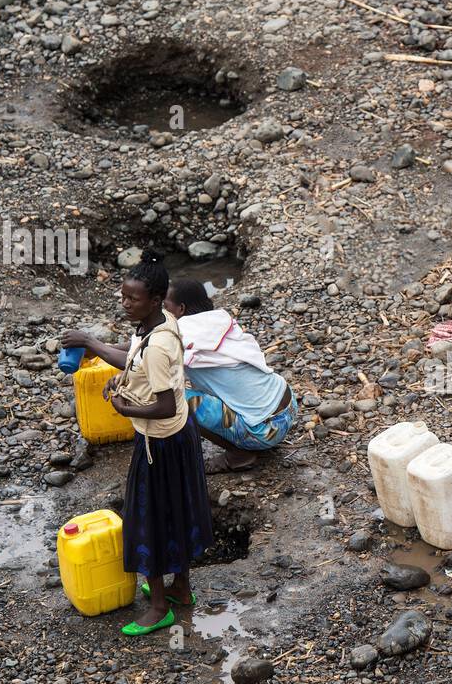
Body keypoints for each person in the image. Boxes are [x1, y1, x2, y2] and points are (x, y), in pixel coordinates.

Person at [60, 263, 214, 636]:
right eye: (124, 295)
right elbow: (135, 358)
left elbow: (163, 404)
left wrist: (125, 407)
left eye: (134, 298)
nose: (125, 302)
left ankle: (159, 606)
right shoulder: (159, 322)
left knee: (150, 521)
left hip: (159, 441)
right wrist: (124, 375)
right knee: (176, 511)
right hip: (179, 435)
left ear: (157, 299)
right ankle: (181, 588)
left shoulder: (159, 345)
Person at [164, 279, 297, 473]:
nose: (162, 312)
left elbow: (145, 352)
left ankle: (239, 454)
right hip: (288, 408)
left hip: (263, 431)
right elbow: (146, 344)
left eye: (165, 306)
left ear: (181, 308)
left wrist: (103, 348)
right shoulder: (216, 321)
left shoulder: (182, 331)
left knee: (174, 399)